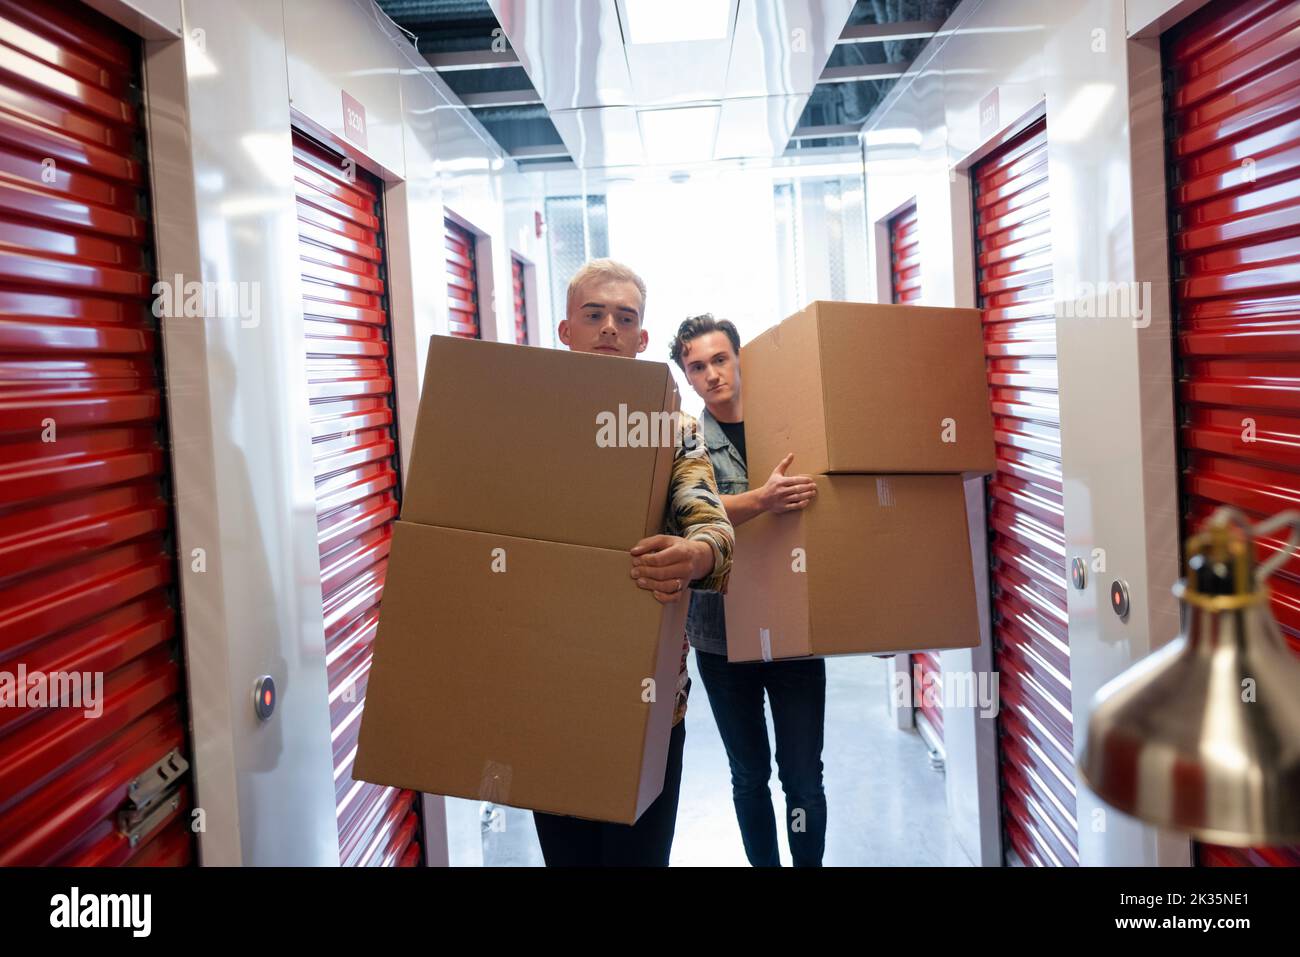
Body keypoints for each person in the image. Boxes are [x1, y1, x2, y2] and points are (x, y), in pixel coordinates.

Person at [530, 261, 734, 867]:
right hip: (545, 694)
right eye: (594, 315)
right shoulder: (527, 425)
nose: (610, 329)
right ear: (566, 330)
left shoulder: (674, 431)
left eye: (626, 318)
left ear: (643, 340)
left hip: (646, 702)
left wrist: (694, 554)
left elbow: (713, 527)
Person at [669, 313, 828, 867]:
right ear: (686, 377)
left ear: (740, 359)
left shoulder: (788, 425)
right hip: (720, 635)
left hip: (796, 631)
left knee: (804, 776)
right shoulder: (684, 442)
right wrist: (761, 500)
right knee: (749, 775)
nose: (711, 374)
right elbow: (687, 515)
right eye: (697, 366)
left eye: (720, 359)